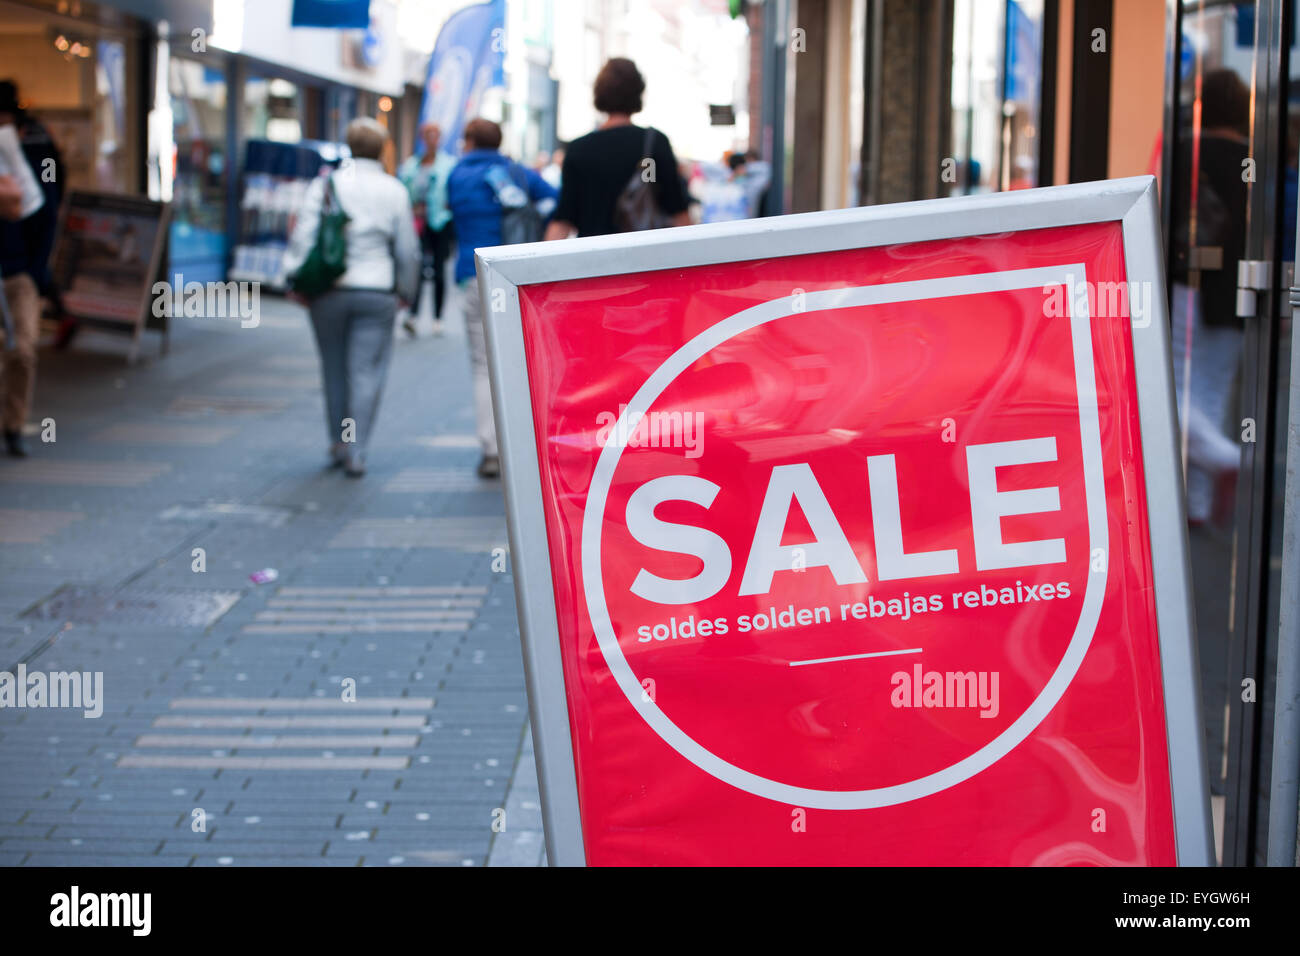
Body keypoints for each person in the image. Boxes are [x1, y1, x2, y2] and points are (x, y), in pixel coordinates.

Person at [283, 117, 419, 478]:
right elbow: (407, 250)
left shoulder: (326, 184)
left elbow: (304, 235)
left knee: (334, 368)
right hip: (376, 291)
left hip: (329, 290)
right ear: (381, 149)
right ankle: (357, 451)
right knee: (365, 373)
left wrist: (294, 278)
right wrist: (406, 291)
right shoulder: (394, 190)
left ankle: (338, 441)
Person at [447, 118, 557, 479]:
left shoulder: (457, 176)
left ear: (469, 141)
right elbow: (554, 202)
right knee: (523, 359)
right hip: (515, 275)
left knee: (482, 364)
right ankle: (526, 445)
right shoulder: (518, 173)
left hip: (473, 273)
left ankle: (491, 450)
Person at [544, 58, 690, 239]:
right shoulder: (653, 145)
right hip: (645, 256)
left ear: (599, 93)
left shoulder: (578, 149)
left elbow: (564, 219)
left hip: (593, 258)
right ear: (638, 92)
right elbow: (677, 211)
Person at [0, 79, 62, 458]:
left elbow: (48, 212)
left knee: (23, 351)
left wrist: (39, 273)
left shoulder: (38, 157)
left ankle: (13, 424)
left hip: (21, 271)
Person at [397, 122, 456, 337]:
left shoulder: (448, 165)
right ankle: (412, 315)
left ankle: (437, 318)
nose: (432, 140)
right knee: (418, 269)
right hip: (417, 223)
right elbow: (404, 191)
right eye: (428, 135)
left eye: (435, 135)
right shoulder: (412, 165)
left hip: (440, 222)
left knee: (439, 271)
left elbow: (452, 192)